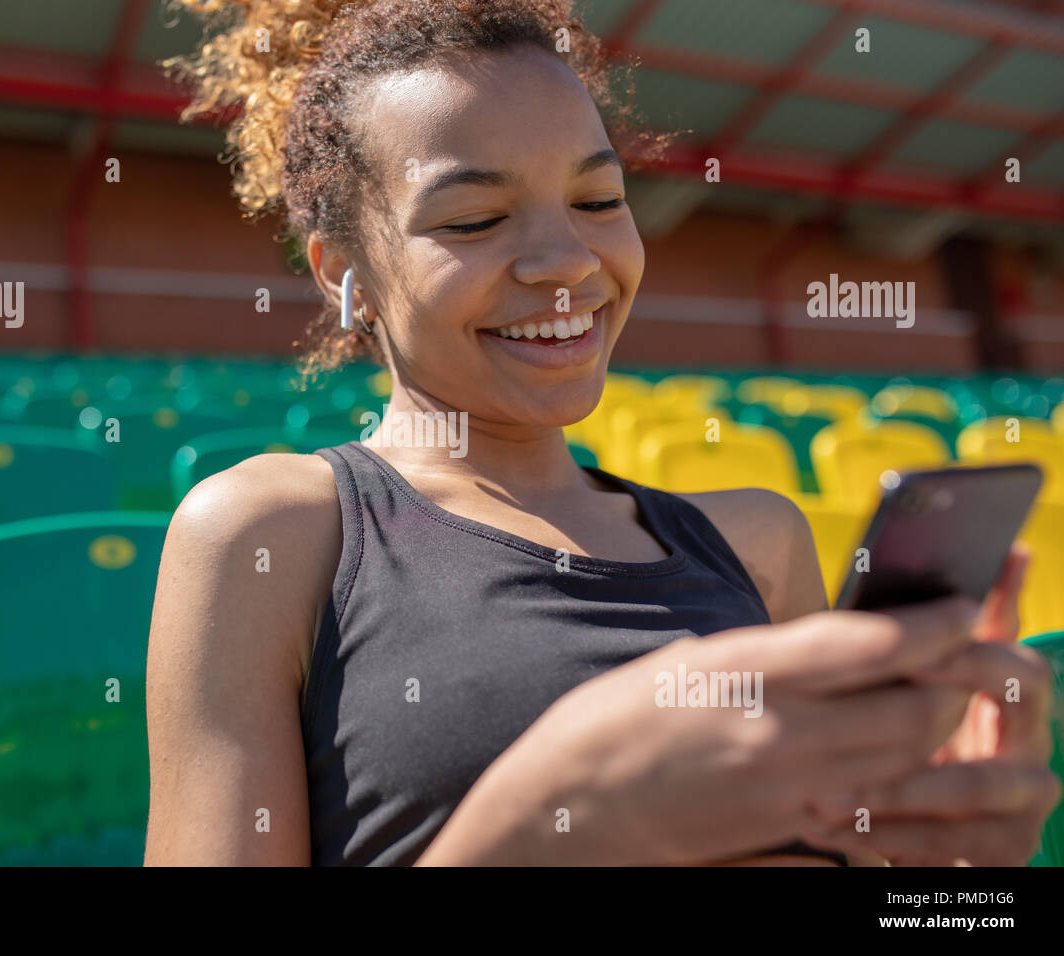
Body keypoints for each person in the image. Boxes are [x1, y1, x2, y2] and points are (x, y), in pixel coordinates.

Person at [144, 0, 1059, 866]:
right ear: (347, 274)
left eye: (598, 200)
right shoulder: (270, 535)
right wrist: (551, 819)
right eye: (475, 218)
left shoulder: (760, 541)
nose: (568, 263)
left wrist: (960, 884)